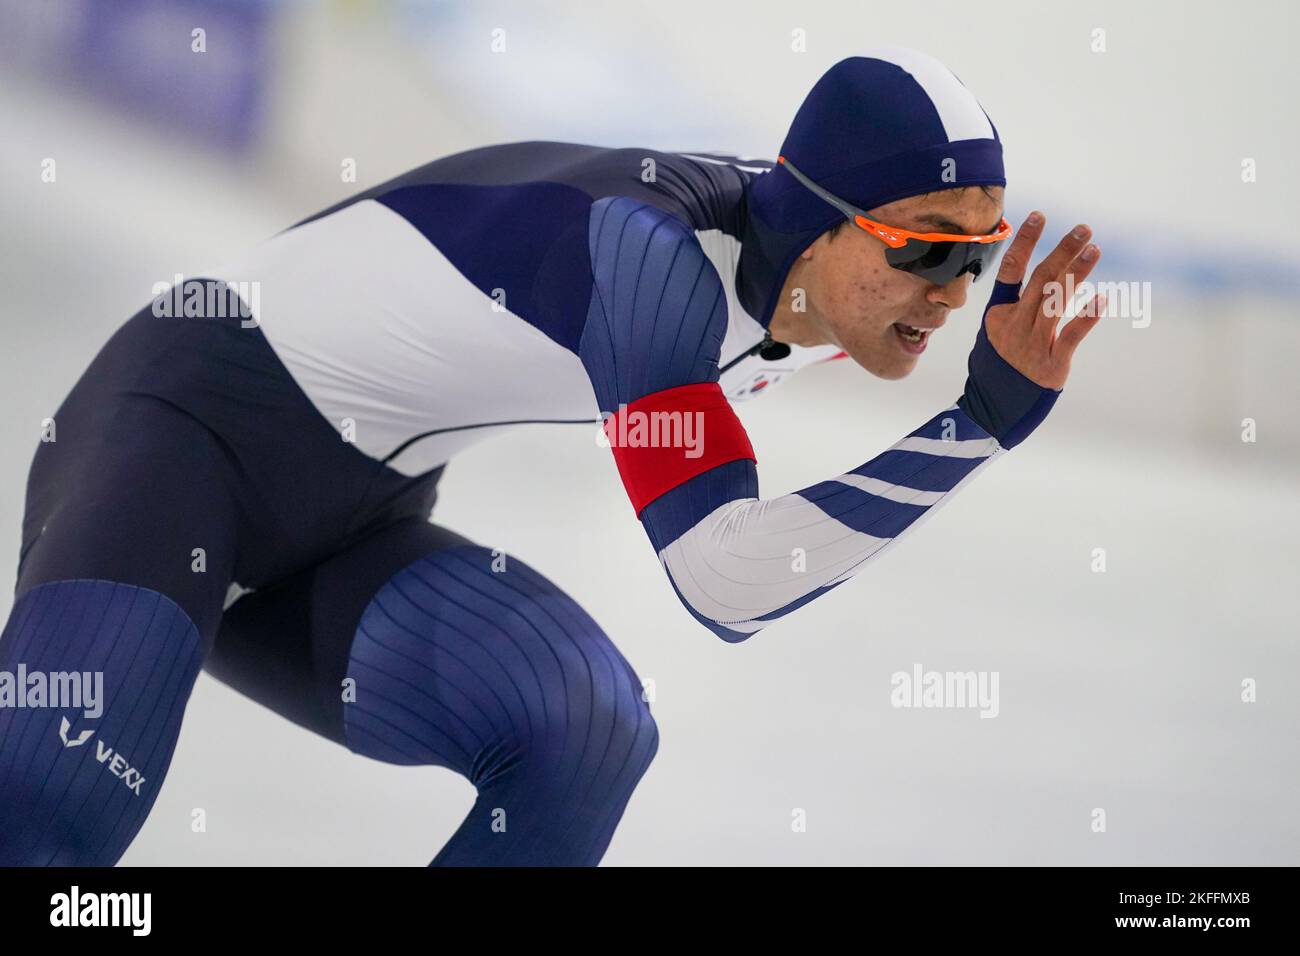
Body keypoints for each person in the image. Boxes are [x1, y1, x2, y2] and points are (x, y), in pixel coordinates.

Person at [0, 48, 1103, 866]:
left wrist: (969, 389)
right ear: (817, 218)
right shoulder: (651, 259)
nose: (957, 293)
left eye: (983, 252)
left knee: (582, 730)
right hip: (171, 440)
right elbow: (723, 580)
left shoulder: (821, 280)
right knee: (52, 820)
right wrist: (977, 425)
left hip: (347, 522)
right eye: (928, 249)